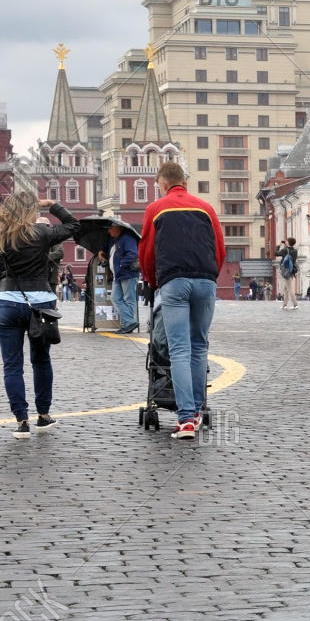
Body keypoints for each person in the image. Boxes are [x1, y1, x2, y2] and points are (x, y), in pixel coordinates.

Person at [139, 161, 225, 439]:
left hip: (173, 281)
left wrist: (152, 281)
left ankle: (186, 418)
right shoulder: (206, 208)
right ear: (185, 183)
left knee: (179, 350)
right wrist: (211, 277)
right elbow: (219, 248)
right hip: (205, 281)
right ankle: (198, 411)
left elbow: (147, 251)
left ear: (163, 184)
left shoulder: (156, 209)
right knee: (199, 346)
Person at [0, 192, 79, 438]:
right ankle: (43, 416)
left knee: (12, 365)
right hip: (40, 304)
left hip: (7, 302)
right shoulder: (42, 233)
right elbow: (73, 225)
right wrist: (52, 205)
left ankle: (21, 421)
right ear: (31, 211)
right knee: (41, 359)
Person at [106, 222, 140, 332]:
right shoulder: (116, 240)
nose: (108, 231)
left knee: (129, 299)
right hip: (118, 274)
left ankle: (128, 325)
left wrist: (121, 265)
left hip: (127, 273)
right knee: (115, 298)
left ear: (118, 228)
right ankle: (130, 323)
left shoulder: (127, 239)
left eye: (110, 228)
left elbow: (132, 254)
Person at [276, 237, 300, 309]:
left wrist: (278, 246)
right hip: (291, 270)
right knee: (285, 288)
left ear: (288, 242)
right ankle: (284, 304)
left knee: (289, 288)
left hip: (285, 271)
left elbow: (276, 253)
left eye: (287, 241)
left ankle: (295, 304)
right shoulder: (295, 251)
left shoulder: (285, 250)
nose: (285, 241)